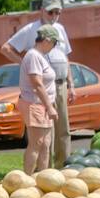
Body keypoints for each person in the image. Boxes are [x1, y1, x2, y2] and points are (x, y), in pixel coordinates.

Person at [1, 0, 74, 168]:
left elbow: (66, 57)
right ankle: (44, 171)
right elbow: (5, 48)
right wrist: (24, 63)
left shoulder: (60, 29)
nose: (54, 15)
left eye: (58, 12)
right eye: (50, 12)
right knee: (42, 137)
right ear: (42, 10)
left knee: (62, 130)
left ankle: (63, 168)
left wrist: (71, 84)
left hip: (60, 84)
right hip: (42, 89)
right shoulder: (31, 29)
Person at [17, 26, 60, 176]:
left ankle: (44, 178)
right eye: (55, 43)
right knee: (36, 144)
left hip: (42, 106)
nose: (55, 47)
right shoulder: (33, 55)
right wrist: (50, 107)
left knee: (46, 144)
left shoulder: (40, 56)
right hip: (34, 104)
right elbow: (37, 84)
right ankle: (27, 180)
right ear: (47, 40)